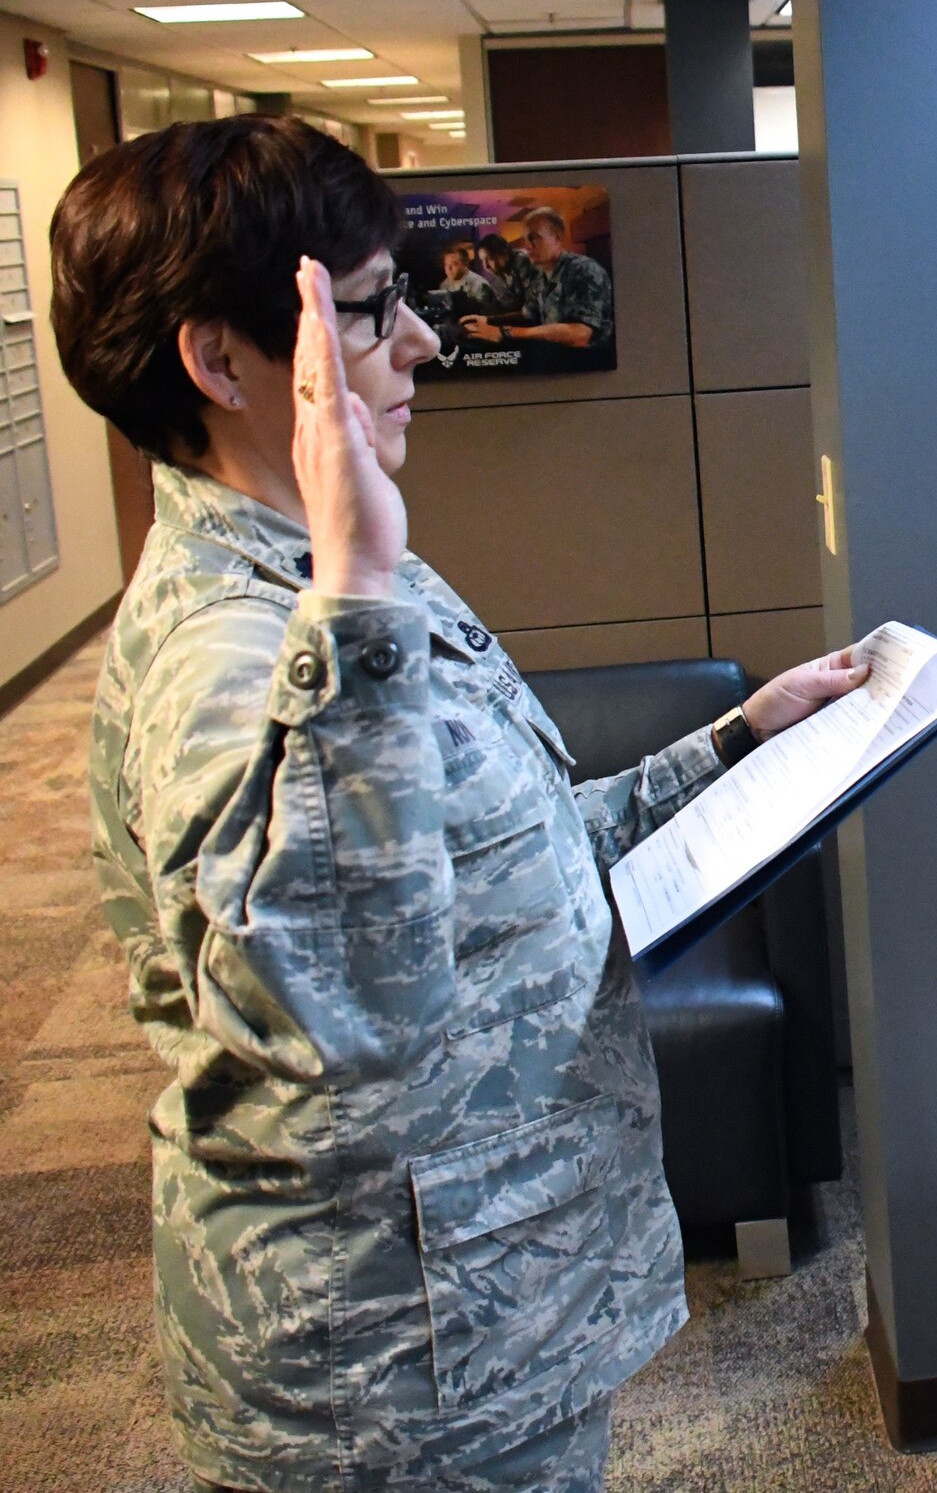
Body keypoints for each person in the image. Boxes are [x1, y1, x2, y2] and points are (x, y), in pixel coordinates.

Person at [50, 115, 868, 1493]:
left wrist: (731, 745)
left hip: (492, 1309)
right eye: (372, 316)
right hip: (397, 1380)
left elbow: (498, 855)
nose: (424, 343)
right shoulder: (241, 652)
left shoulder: (335, 579)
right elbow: (340, 1023)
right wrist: (360, 596)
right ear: (220, 358)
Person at [460, 207, 612, 352]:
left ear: (557, 237)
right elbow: (527, 314)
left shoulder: (583, 270)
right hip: (553, 357)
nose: (526, 245)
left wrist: (505, 332)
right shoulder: (540, 277)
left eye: (534, 238)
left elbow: (581, 335)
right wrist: (488, 320)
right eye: (525, 239)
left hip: (588, 365)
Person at [475, 230, 536, 314]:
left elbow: (532, 308)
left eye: (490, 259)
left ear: (504, 252)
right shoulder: (494, 277)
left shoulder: (523, 262)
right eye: (482, 261)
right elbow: (506, 305)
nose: (486, 266)